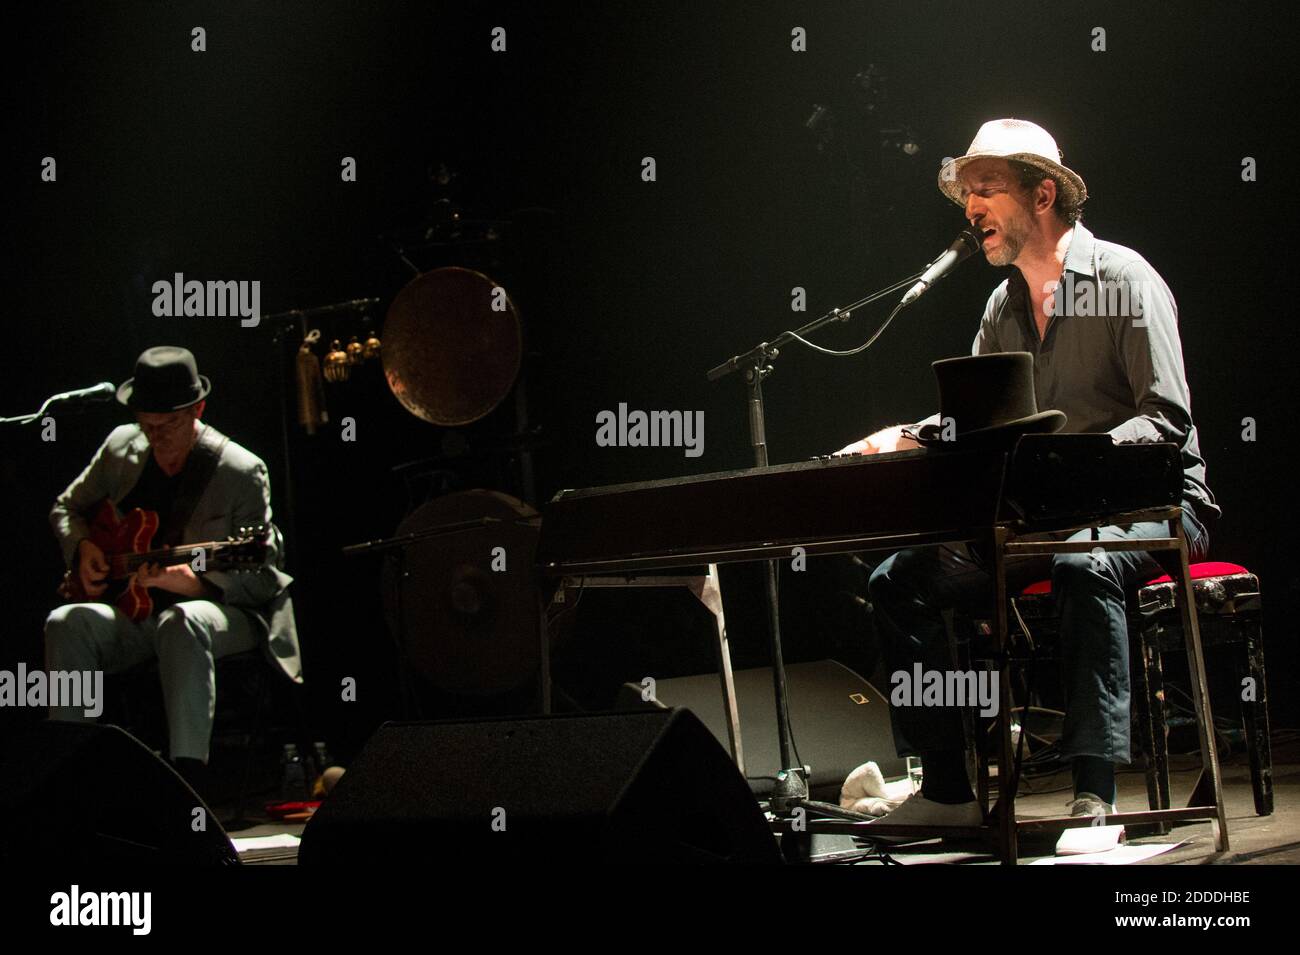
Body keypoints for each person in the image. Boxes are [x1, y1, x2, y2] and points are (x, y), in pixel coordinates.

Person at [841, 119, 1218, 843]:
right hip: (1045, 515)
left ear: (1042, 194)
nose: (970, 206)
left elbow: (1165, 420)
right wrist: (907, 434)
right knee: (901, 578)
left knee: (1087, 560)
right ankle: (948, 786)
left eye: (986, 189)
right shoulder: (999, 308)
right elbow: (981, 423)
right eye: (966, 195)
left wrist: (1071, 465)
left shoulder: (1124, 278)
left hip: (1155, 504)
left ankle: (1094, 796)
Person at [45, 346, 301, 797]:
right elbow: (67, 507)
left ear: (198, 409)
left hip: (224, 614)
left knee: (183, 620)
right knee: (65, 622)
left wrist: (198, 583)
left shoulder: (240, 470)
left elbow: (263, 578)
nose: (156, 437)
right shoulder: (121, 446)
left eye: (169, 426)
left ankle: (187, 786)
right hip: (135, 612)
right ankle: (71, 773)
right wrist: (82, 546)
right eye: (147, 425)